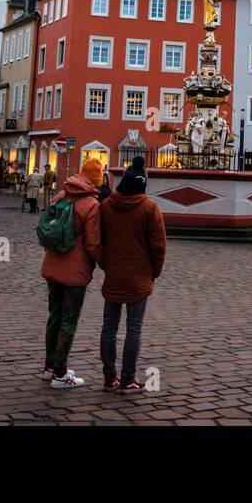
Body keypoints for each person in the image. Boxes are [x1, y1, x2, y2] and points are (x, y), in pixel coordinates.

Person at [99, 156, 166, 393]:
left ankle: (109, 377)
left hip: (114, 275)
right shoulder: (150, 208)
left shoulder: (106, 206)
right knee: (134, 328)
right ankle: (128, 379)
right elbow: (158, 246)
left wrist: (106, 264)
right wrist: (153, 272)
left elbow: (98, 241)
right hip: (139, 277)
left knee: (109, 327)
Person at [40, 158, 104, 389]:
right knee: (69, 320)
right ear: (97, 180)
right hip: (74, 273)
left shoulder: (61, 195)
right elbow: (94, 244)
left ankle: (49, 366)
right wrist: (106, 265)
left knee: (54, 316)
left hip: (51, 266)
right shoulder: (91, 204)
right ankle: (60, 373)